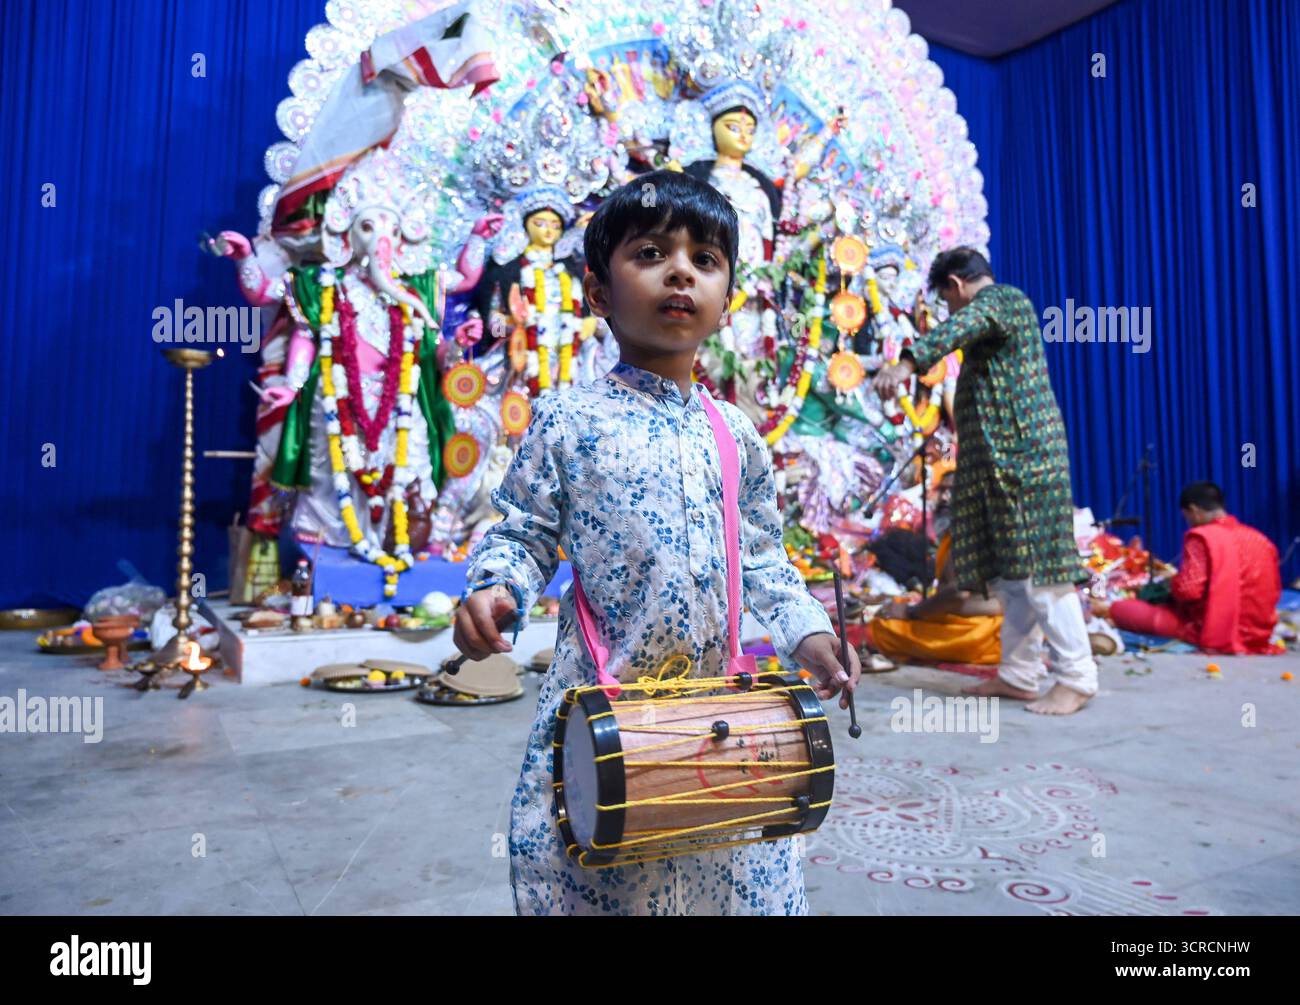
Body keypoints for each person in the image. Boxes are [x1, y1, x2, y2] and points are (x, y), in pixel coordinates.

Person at [454, 169, 861, 916]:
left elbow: (763, 558)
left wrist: (808, 630)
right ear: (599, 292)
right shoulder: (569, 420)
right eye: (650, 252)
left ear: (726, 298)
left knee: (734, 883)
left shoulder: (737, 435)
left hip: (719, 729)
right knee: (610, 886)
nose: (681, 271)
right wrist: (495, 588)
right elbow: (523, 531)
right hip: (607, 718)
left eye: (705, 260)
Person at [872, 247, 1097, 715]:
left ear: (955, 285)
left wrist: (907, 363)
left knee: (1041, 571)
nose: (951, 312)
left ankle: (1078, 676)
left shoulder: (1004, 301)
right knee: (1013, 578)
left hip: (1025, 467)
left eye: (947, 302)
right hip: (1003, 470)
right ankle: (1018, 675)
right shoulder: (993, 322)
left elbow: (961, 326)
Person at [1095, 481, 1283, 654]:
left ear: (1193, 511)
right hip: (1260, 633)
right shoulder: (1260, 539)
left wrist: (1172, 584)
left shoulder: (1202, 537)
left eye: (1187, 517)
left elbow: (1188, 591)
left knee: (1123, 608)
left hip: (1216, 630)